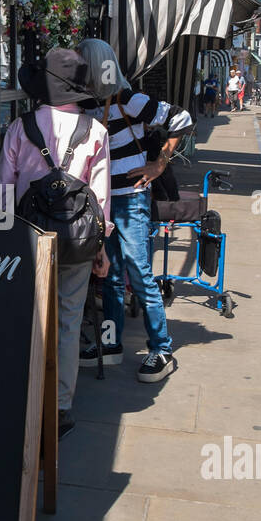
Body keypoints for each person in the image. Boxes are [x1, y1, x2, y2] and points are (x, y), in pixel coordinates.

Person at [0, 48, 111, 439]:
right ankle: (59, 408)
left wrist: (1, 242)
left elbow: (1, 193)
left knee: (26, 319)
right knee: (67, 321)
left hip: (27, 238)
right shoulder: (96, 132)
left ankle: (22, 396)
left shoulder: (19, 127)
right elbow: (99, 200)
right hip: (77, 243)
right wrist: (101, 249)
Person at [76, 38, 189, 383]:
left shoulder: (129, 99)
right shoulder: (86, 103)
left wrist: (159, 163)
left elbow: (181, 118)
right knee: (108, 276)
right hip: (102, 200)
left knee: (138, 271)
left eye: (83, 63)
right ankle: (111, 343)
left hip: (130, 197)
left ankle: (161, 347)